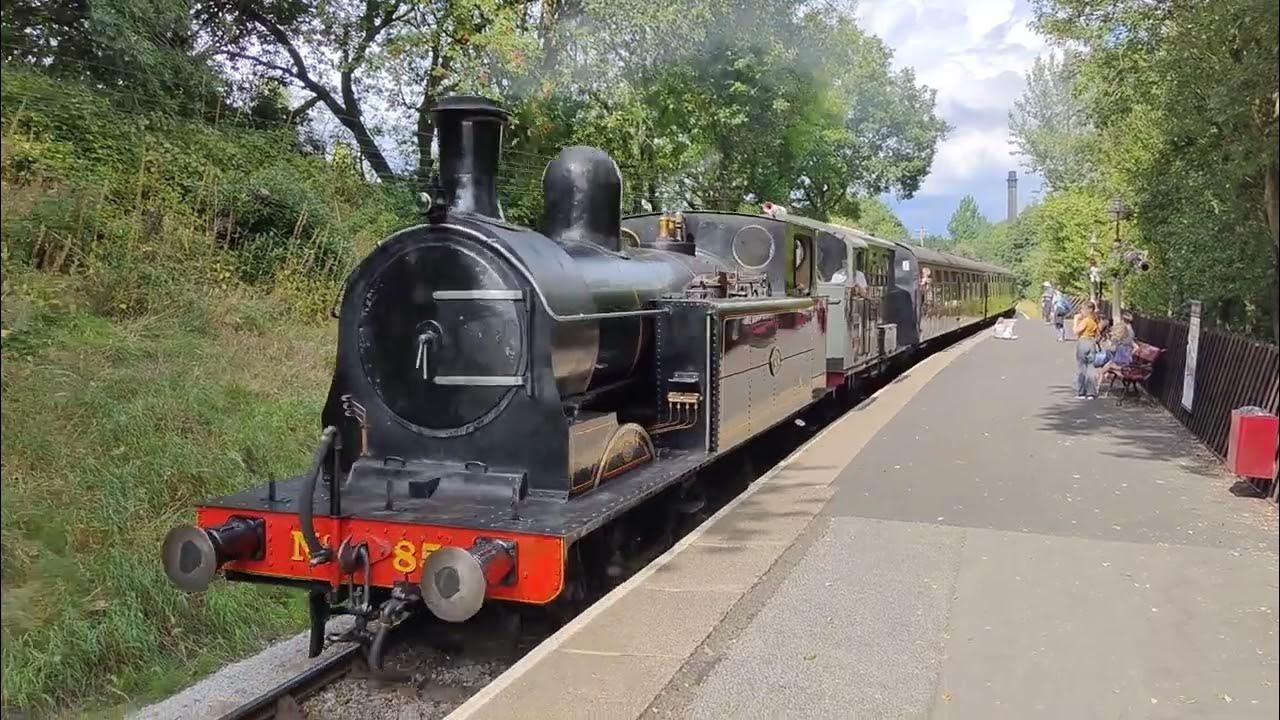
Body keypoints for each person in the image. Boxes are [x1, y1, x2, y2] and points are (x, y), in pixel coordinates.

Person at [1072, 301, 1101, 399]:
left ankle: (1081, 392)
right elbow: (1098, 334)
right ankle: (1091, 393)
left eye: (1083, 309)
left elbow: (1076, 331)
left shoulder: (1086, 321)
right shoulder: (1094, 321)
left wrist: (1076, 320)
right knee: (1091, 368)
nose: (1081, 311)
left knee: (1081, 367)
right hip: (1092, 343)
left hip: (1083, 342)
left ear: (1089, 310)